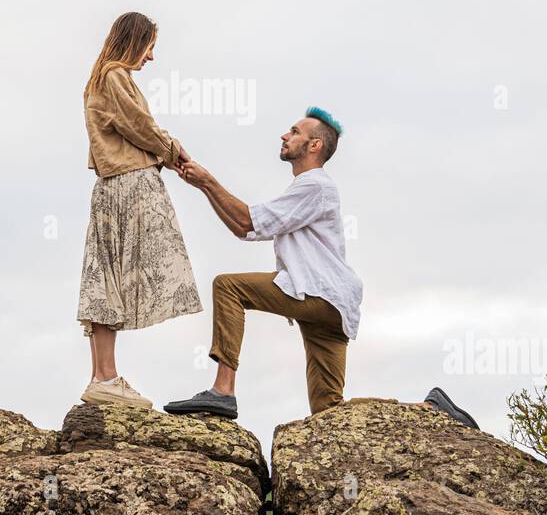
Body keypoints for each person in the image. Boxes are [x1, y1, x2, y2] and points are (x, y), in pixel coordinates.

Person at [163, 106, 479, 429]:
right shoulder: (310, 188)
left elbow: (247, 219)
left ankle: (223, 390)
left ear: (314, 146)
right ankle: (430, 410)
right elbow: (244, 228)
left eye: (295, 132)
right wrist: (201, 183)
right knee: (329, 413)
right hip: (332, 306)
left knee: (228, 287)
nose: (285, 136)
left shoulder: (315, 185)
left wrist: (208, 180)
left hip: (318, 295)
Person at [76, 12, 202, 409]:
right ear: (135, 41)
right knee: (126, 272)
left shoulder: (101, 79)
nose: (150, 57)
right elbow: (140, 125)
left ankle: (104, 376)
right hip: (130, 183)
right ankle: (105, 376)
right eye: (149, 47)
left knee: (105, 276)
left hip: (109, 187)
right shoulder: (114, 77)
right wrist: (173, 149)